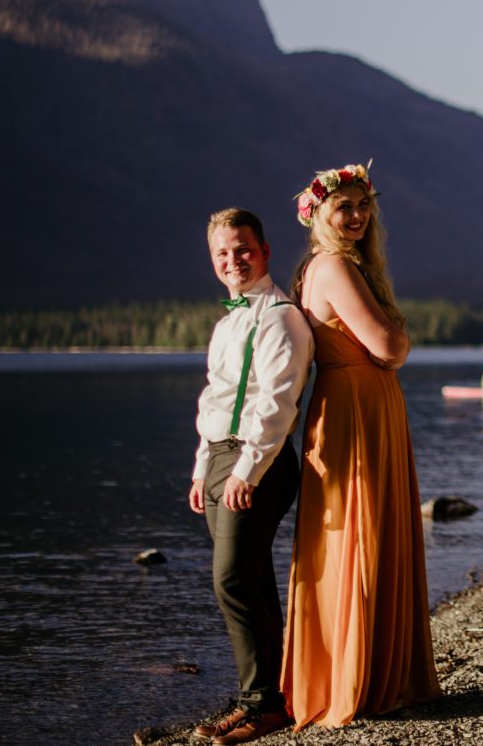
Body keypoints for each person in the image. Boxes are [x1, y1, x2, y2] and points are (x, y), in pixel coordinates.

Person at [280, 163, 440, 726]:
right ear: (319, 215)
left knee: (367, 530)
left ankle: (368, 671)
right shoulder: (333, 267)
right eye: (342, 207)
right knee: (360, 531)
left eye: (362, 206)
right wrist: (398, 331)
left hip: (363, 407)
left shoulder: (341, 267)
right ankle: (357, 677)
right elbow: (389, 346)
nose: (355, 217)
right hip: (353, 413)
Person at [187, 209, 313, 745]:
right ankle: (274, 696)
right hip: (219, 457)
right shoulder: (227, 321)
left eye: (243, 249)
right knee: (253, 580)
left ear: (264, 250)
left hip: (258, 460)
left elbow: (277, 405)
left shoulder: (281, 316)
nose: (233, 260)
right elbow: (216, 399)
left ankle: (260, 705)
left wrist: (246, 470)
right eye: (223, 253)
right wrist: (202, 468)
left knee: (232, 580)